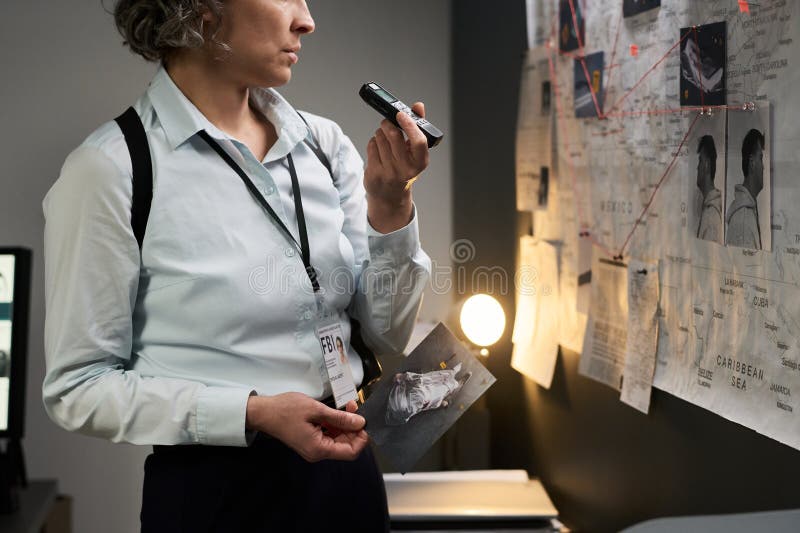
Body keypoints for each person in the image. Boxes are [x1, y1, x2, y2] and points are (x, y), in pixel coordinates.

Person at [41, 0, 432, 530]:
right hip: (217, 494)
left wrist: (390, 206)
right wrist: (251, 412)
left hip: (347, 474)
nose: (307, 20)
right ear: (200, 11)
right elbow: (77, 388)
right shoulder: (111, 170)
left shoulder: (324, 146)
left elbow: (384, 335)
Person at [385, 362, 471, 426]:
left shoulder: (401, 406)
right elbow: (421, 379)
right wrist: (403, 376)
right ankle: (455, 382)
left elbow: (418, 380)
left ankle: (452, 377)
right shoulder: (418, 393)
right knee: (439, 386)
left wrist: (402, 377)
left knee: (433, 386)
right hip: (430, 397)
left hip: (424, 399)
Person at [726, 129, 765, 249]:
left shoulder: (747, 213)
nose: (763, 167)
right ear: (752, 162)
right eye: (761, 158)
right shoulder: (743, 222)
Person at [695, 135, 723, 244]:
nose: (697, 167)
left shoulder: (711, 217)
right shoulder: (709, 209)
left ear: (706, 165)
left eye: (700, 161)